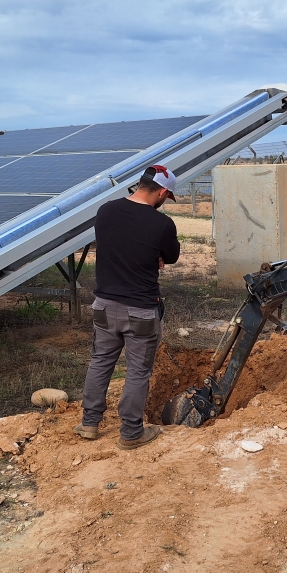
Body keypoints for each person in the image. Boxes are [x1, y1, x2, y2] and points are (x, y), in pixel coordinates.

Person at [74, 165, 182, 450]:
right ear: (161, 192)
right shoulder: (162, 225)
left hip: (104, 306)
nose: (164, 202)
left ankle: (89, 423)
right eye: (165, 196)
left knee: (100, 362)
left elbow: (117, 245)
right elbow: (170, 256)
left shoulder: (106, 211)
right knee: (137, 372)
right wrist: (156, 256)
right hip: (141, 311)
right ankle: (131, 433)